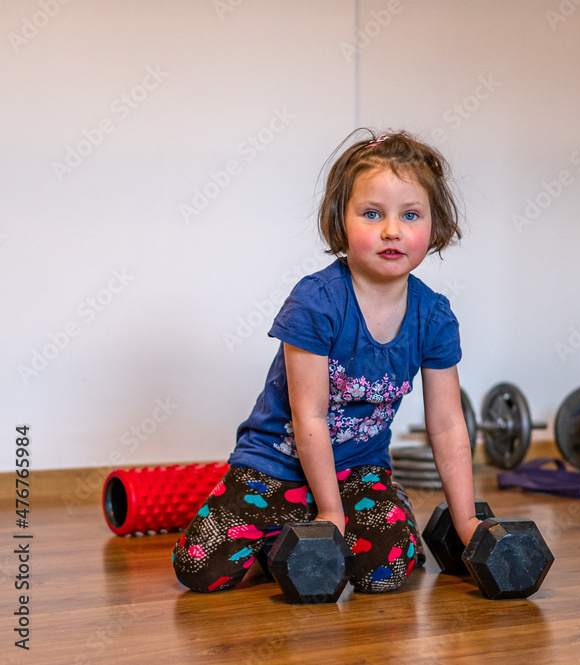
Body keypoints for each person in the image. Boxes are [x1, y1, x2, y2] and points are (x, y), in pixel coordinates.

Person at [172, 129, 478, 595]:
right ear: (341, 220)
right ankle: (284, 527)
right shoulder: (316, 301)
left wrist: (468, 520)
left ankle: (384, 503)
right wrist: (329, 515)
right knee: (199, 571)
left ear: (434, 227)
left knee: (385, 573)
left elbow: (447, 424)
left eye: (410, 215)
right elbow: (308, 414)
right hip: (276, 464)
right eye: (372, 214)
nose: (392, 230)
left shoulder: (433, 316)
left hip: (356, 467)